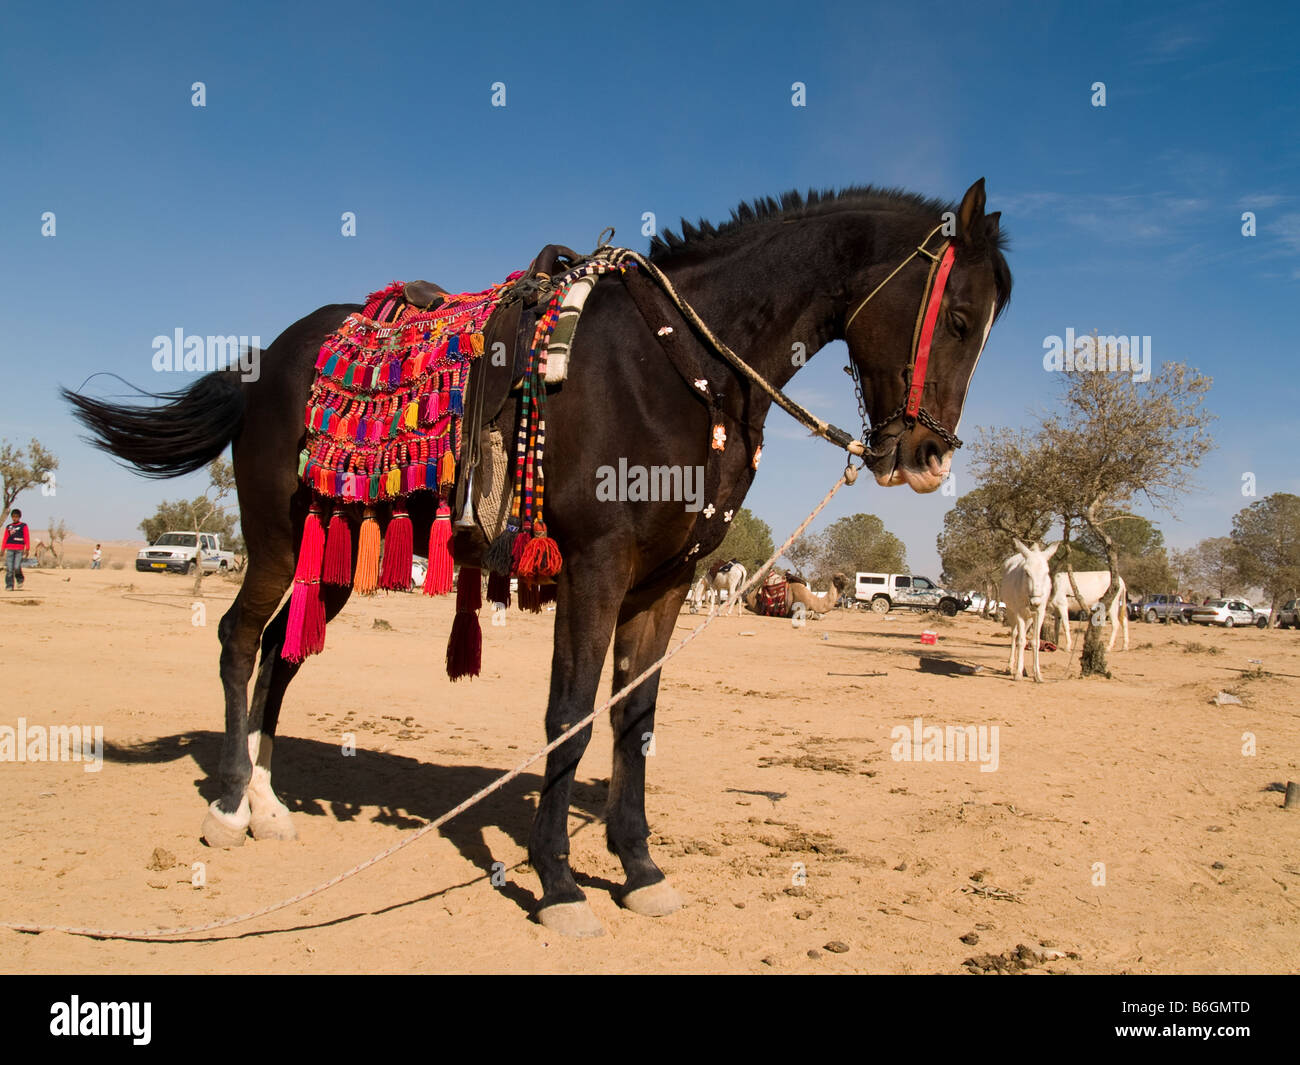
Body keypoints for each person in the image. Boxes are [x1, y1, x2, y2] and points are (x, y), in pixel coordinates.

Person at [3, 509, 30, 590]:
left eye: (16, 517)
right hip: (10, 549)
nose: (15, 518)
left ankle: (20, 579)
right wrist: (2, 549)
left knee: (17, 566)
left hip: (19, 549)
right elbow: (5, 538)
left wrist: (27, 548)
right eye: (13, 517)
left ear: (19, 517)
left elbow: (26, 537)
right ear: (11, 517)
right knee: (9, 569)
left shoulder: (23, 526)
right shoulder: (9, 527)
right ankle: (9, 585)